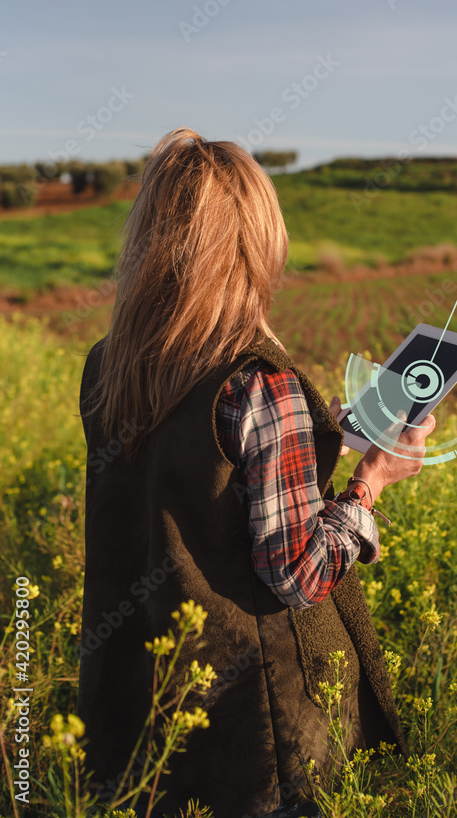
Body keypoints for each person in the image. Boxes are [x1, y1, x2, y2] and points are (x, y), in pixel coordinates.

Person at [77, 128, 436, 818]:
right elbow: (297, 576)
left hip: (145, 690)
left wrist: (304, 443)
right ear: (254, 241)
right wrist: (371, 482)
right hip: (258, 726)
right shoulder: (260, 386)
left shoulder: (109, 364)